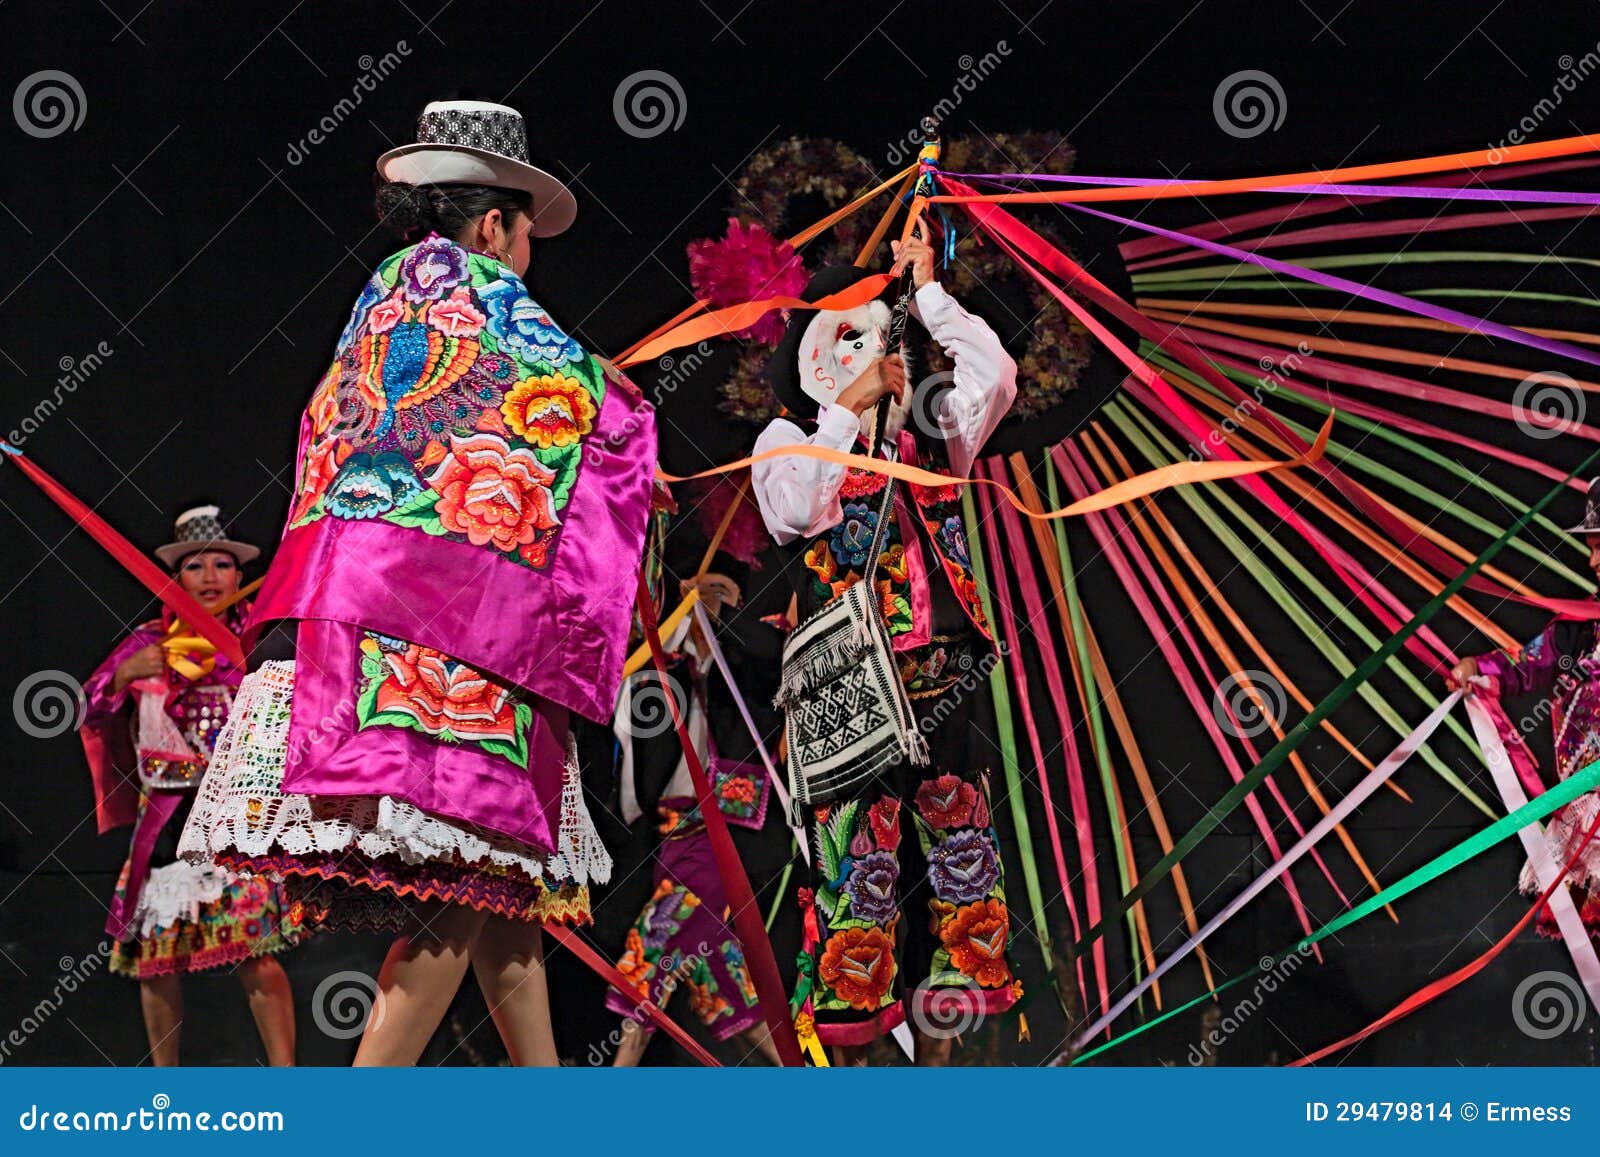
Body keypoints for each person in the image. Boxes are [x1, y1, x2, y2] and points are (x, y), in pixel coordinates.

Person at [179, 100, 658, 1066]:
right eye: (523, 236)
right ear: (493, 225)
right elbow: (591, 412)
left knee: (505, 895)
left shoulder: (384, 302)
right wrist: (628, 409)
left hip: (355, 612)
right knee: (456, 893)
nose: (525, 258)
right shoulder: (477, 294)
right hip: (438, 634)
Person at [750, 228, 1021, 1064]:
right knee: (854, 874)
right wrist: (849, 407)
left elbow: (998, 378)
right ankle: (854, 1066)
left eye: (884, 334)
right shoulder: (788, 438)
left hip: (940, 674)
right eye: (851, 337)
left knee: (963, 865)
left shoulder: (936, 431)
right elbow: (794, 514)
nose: (878, 352)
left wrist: (932, 293)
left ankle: (950, 1069)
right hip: (849, 685)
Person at [81, 506, 300, 1065]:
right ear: (174, 579)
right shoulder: (148, 645)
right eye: (194, 566)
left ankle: (289, 1081)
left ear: (237, 575)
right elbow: (89, 706)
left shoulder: (259, 641)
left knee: (257, 952)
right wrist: (126, 675)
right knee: (155, 963)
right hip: (166, 824)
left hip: (237, 818)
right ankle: (165, 1088)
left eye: (221, 564)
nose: (208, 577)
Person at [606, 571, 783, 1066]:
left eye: (722, 593)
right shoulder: (668, 671)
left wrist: (723, 616)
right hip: (672, 832)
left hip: (718, 835)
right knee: (719, 973)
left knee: (654, 940)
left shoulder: (752, 668)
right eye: (701, 592)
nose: (708, 601)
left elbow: (765, 651)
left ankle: (618, 1072)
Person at [1448, 480, 1600, 940]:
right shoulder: (1580, 628)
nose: (1593, 560)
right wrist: (1480, 668)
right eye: (1592, 548)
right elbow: (1528, 664)